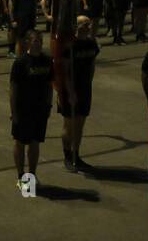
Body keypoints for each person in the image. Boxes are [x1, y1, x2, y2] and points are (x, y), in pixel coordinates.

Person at [9, 30, 52, 191]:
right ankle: (21, 175)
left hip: (40, 109)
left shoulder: (47, 61)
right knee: (20, 142)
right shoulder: (21, 63)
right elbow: (13, 88)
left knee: (35, 142)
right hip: (23, 108)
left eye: (40, 41)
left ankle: (32, 174)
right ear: (27, 42)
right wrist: (13, 111)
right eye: (35, 41)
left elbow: (49, 85)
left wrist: (48, 105)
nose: (38, 43)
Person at [58, 16, 100, 172]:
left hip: (84, 88)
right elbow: (65, 71)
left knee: (80, 124)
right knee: (69, 124)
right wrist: (70, 92)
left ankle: (76, 154)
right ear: (76, 25)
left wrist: (89, 84)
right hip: (70, 89)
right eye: (84, 23)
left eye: (89, 23)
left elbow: (92, 65)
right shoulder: (70, 45)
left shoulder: (91, 43)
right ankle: (67, 155)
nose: (88, 25)